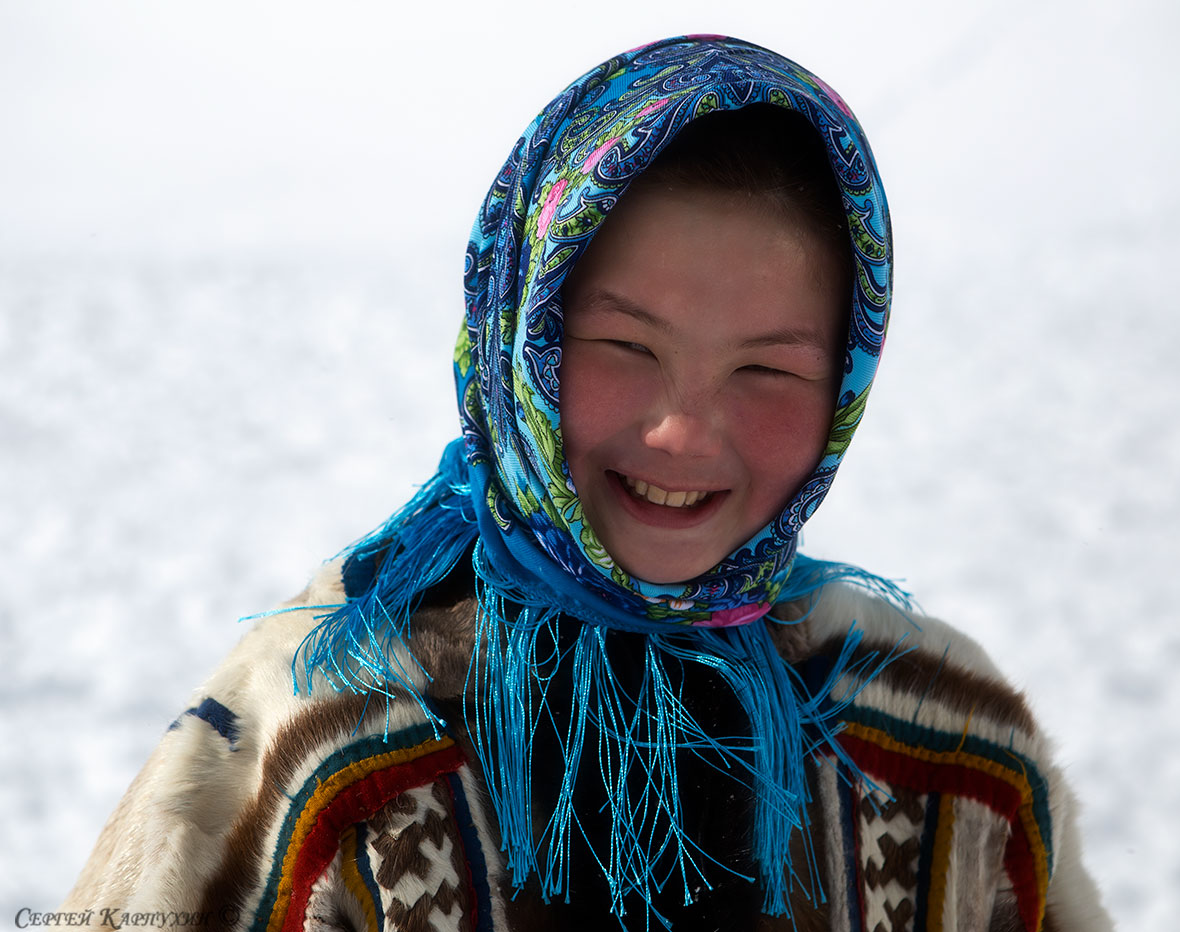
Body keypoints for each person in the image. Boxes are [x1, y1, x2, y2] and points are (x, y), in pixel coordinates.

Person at [62, 36, 1111, 931]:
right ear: (519, 332)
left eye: (768, 370)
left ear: (846, 381)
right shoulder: (320, 726)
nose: (682, 430)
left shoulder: (947, 739)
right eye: (622, 345)